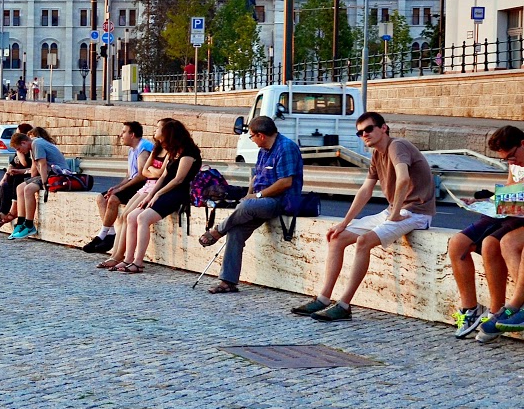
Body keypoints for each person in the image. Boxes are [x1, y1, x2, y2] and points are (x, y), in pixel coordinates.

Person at [292, 112, 435, 322]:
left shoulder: (397, 146)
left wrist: (394, 215)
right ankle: (323, 298)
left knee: (363, 242)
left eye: (369, 129)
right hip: (394, 211)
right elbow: (365, 191)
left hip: (416, 212)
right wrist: (344, 223)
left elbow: (403, 179)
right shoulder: (377, 155)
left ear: (383, 128)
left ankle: (344, 305)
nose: (364, 134)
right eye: (360, 132)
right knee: (337, 238)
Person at [197, 116, 304, 294]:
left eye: (252, 136)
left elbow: (286, 182)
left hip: (280, 201)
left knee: (246, 207)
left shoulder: (286, 148)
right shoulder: (264, 149)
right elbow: (257, 177)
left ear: (261, 135)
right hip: (259, 201)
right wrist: (249, 195)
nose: (252, 140)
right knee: (235, 231)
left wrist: (257, 196)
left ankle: (216, 231)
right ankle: (228, 282)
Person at [449, 126, 524, 338]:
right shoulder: (516, 164)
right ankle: (473, 309)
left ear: (523, 144)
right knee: (457, 243)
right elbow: (511, 189)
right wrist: (482, 202)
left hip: (518, 214)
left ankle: (503, 310)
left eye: (512, 157)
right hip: (512, 211)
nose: (511, 162)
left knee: (495, 244)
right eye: (506, 160)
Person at [113, 118, 202, 273]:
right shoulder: (174, 151)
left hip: (177, 193)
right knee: (131, 217)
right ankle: (128, 259)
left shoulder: (189, 152)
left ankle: (138, 262)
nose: (155, 131)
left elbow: (178, 179)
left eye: (158, 128)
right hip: (164, 191)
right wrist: (150, 195)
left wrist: (158, 194)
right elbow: (162, 177)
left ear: (168, 133)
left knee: (143, 218)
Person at [83, 121, 155, 253]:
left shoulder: (143, 147)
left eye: (123, 132)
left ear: (132, 134)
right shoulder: (131, 150)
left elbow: (141, 175)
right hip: (134, 182)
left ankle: (102, 234)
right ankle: (110, 233)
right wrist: (116, 186)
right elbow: (128, 176)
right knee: (101, 197)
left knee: (114, 199)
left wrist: (120, 190)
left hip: (143, 184)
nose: (120, 135)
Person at [9, 130, 69, 240]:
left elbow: (42, 164)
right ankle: (21, 222)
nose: (20, 152)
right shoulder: (33, 144)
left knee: (28, 189)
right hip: (49, 173)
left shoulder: (37, 144)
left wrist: (44, 182)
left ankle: (29, 224)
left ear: (23, 143)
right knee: (20, 188)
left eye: (19, 149)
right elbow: (34, 167)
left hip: (56, 174)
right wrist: (32, 179)